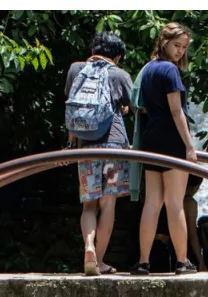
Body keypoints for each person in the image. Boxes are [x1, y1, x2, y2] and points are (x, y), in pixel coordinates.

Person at [64, 31, 134, 276]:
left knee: (89, 206)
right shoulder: (119, 74)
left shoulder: (76, 70)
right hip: (113, 149)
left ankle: (89, 247)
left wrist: (71, 145)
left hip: (86, 148)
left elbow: (73, 111)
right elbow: (135, 106)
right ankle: (100, 260)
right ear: (117, 56)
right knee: (109, 203)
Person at [133, 22, 198, 276]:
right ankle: (182, 262)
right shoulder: (170, 71)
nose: (180, 51)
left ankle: (143, 262)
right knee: (174, 203)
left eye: (184, 47)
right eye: (177, 45)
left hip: (151, 139)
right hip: (171, 141)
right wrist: (190, 146)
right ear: (164, 43)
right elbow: (176, 111)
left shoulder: (147, 69)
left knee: (152, 203)